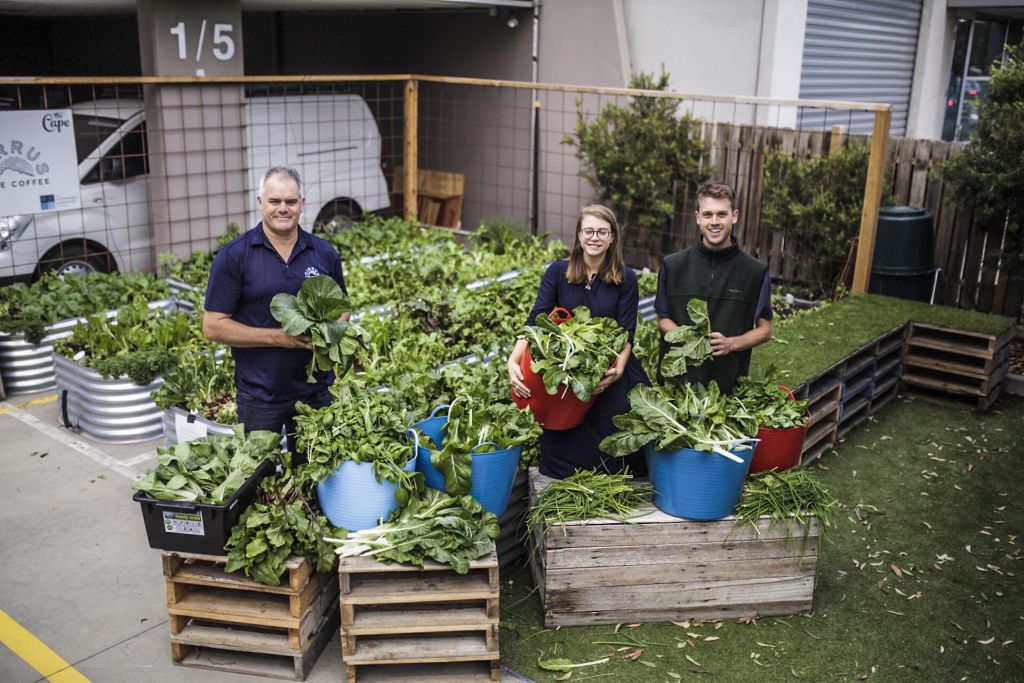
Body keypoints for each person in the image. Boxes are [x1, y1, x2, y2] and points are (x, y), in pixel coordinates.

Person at [202, 165, 349, 459]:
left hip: (316, 391)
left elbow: (342, 310)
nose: (283, 208)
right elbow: (213, 326)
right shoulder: (235, 256)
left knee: (314, 472)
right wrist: (279, 338)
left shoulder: (323, 252)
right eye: (274, 201)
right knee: (257, 476)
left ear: (302, 204)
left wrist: (327, 330)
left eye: (291, 202)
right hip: (260, 394)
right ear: (260, 203)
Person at [507, 204, 649, 479]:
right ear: (579, 235)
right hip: (567, 366)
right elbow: (537, 316)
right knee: (559, 446)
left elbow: (626, 330)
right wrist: (514, 359)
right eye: (589, 231)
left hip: (609, 365)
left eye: (602, 232)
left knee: (622, 431)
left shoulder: (626, 278)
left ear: (612, 238)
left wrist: (618, 369)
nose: (594, 237)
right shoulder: (558, 272)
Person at [655, 180, 772, 393]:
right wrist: (691, 340)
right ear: (697, 217)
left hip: (727, 387)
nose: (714, 221)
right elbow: (663, 319)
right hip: (676, 385)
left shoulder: (755, 272)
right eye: (708, 214)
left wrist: (731, 344)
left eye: (722, 214)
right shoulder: (673, 265)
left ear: (734, 216)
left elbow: (765, 330)